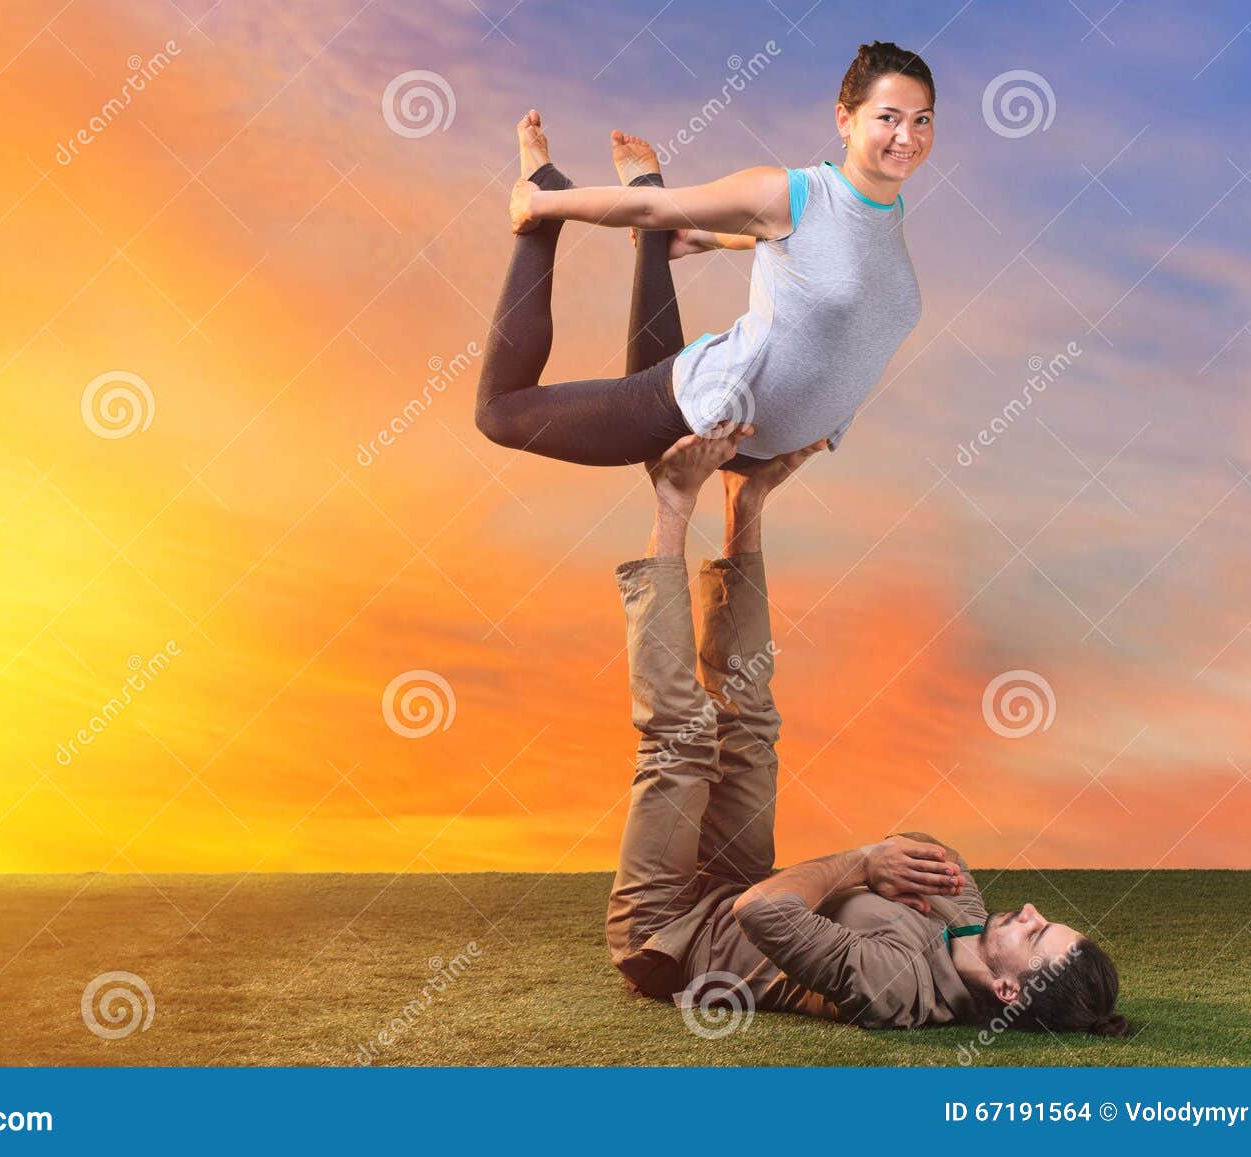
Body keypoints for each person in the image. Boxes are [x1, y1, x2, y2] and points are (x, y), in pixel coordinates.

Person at [606, 425, 1130, 1036]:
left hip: (665, 930)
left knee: (684, 742)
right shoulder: (964, 910)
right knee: (750, 724)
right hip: (735, 877)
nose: (1032, 913)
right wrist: (887, 865)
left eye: (1035, 934)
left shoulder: (898, 986)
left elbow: (762, 912)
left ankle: (671, 498)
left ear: (1010, 989)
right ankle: (743, 500)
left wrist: (864, 862)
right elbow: (927, 845)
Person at [475, 41, 931, 470]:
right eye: (888, 118)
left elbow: (815, 252)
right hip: (717, 400)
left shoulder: (886, 211)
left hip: (744, 431)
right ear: (845, 120)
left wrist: (704, 240)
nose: (907, 136)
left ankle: (655, 227)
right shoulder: (790, 191)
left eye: (922, 119)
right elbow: (654, 211)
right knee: (499, 413)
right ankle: (548, 196)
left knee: (656, 394)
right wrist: (539, 205)